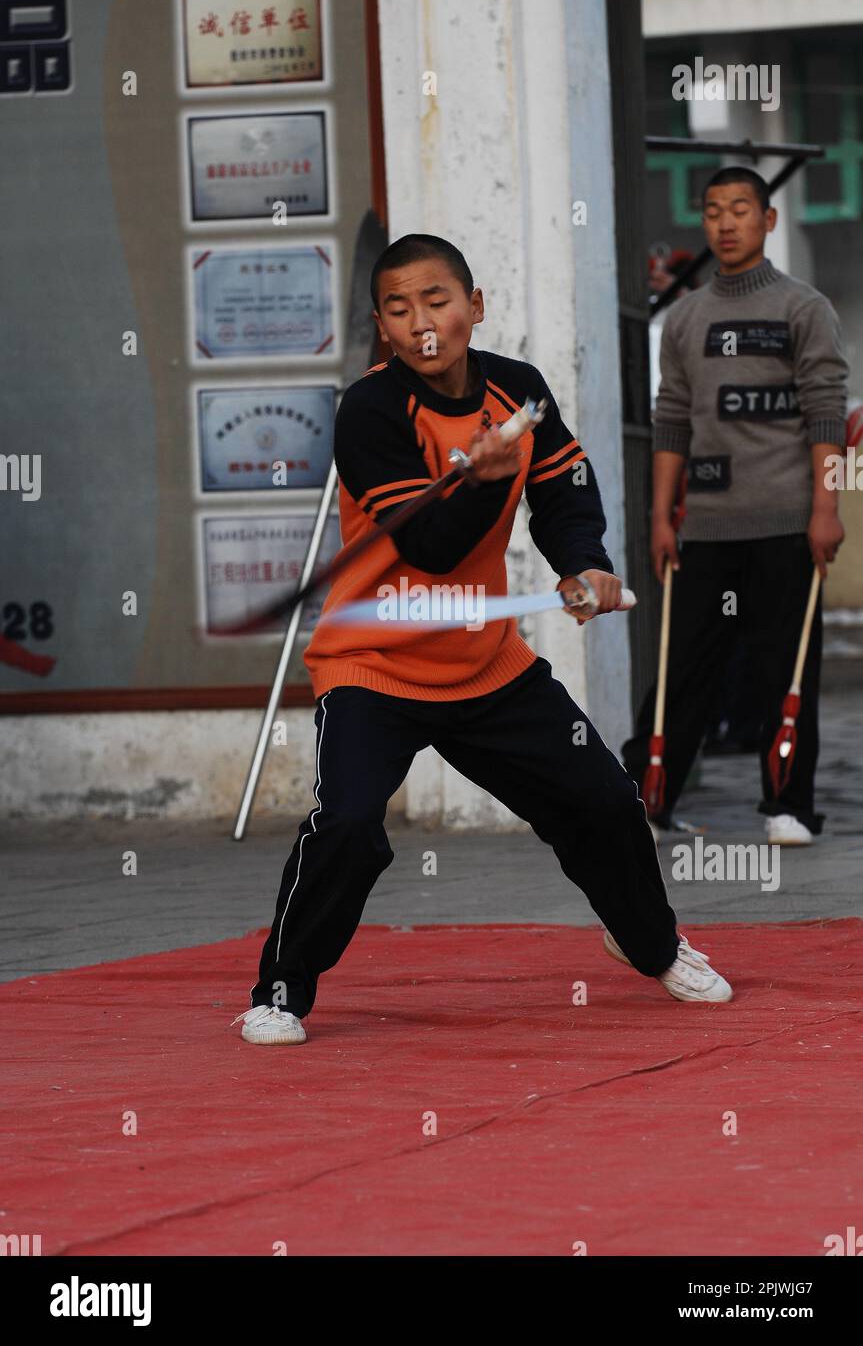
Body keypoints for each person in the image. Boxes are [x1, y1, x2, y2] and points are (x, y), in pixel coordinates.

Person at [233, 233, 732, 1046]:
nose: (422, 323)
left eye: (437, 301)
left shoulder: (519, 391)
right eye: (399, 309)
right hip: (374, 664)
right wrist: (480, 478)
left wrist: (584, 566)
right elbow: (425, 543)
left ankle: (651, 944)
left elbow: (564, 492)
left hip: (483, 660)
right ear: (382, 328)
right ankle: (281, 990)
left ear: (475, 305)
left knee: (604, 800)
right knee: (349, 823)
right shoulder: (367, 410)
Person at [623, 168, 848, 845]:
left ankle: (788, 807)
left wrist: (825, 509)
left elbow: (826, 414)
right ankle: (646, 802)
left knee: (786, 670)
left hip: (785, 521)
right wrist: (661, 517)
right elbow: (670, 423)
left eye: (740, 210)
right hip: (708, 529)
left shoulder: (803, 308)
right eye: (713, 211)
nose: (725, 223)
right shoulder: (685, 318)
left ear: (766, 221)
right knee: (681, 668)